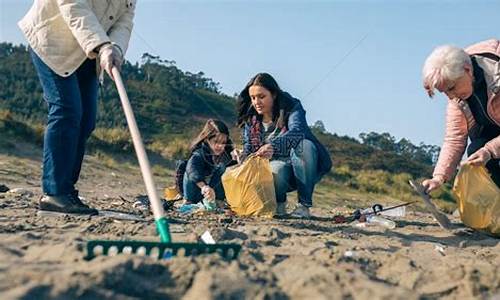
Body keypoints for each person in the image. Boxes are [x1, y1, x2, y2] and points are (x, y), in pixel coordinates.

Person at [18, 0, 136, 214]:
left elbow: (125, 20)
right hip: (54, 41)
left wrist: (116, 48)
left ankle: (67, 189)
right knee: (67, 111)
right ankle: (54, 193)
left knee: (86, 120)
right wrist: (102, 45)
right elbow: (72, 4)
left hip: (89, 53)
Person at [237, 73, 332, 218]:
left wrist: (273, 146)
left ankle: (303, 206)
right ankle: (278, 204)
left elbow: (297, 131)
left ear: (273, 94)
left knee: (305, 146)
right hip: (274, 170)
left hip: (301, 169)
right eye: (253, 98)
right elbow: (249, 148)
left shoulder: (291, 106)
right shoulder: (251, 119)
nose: (256, 102)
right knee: (276, 169)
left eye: (261, 97)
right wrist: (242, 156)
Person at [421, 39, 500, 193]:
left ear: (467, 70)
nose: (451, 96)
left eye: (452, 88)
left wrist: (490, 151)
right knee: (476, 151)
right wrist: (439, 177)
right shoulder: (457, 99)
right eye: (445, 92)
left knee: (485, 151)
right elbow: (454, 139)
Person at [183, 119, 235, 205]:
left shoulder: (227, 154)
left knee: (224, 167)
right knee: (189, 170)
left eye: (223, 143)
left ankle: (219, 201)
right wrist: (204, 187)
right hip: (195, 193)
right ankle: (188, 201)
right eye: (216, 141)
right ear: (207, 139)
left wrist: (238, 159)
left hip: (212, 195)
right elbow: (192, 170)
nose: (220, 146)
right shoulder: (199, 153)